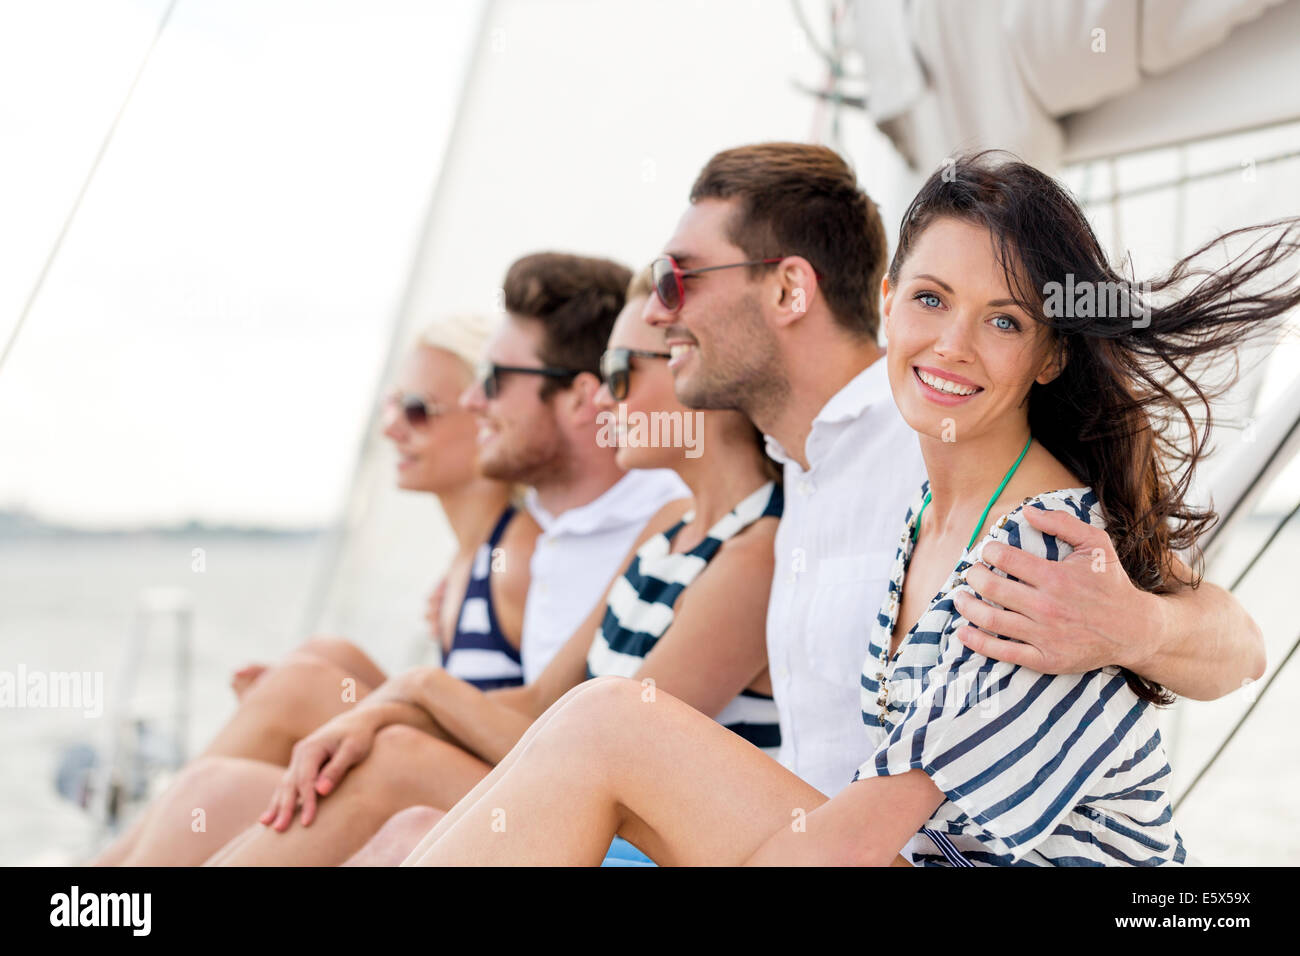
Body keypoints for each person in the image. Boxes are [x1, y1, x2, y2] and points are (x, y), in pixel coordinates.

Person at [400, 150, 1298, 865]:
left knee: (608, 722)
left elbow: (856, 843)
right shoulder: (917, 500)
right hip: (867, 837)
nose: (951, 346)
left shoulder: (1037, 552)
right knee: (514, 772)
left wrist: (1134, 627)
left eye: (1005, 320)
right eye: (932, 300)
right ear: (886, 304)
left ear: (1050, 356)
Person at [103, 253, 689, 865]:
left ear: (578, 397)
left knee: (337, 725)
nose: (474, 403)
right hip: (553, 783)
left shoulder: (629, 530)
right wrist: (394, 704)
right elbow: (551, 704)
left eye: (486, 384)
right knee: (261, 740)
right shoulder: (583, 529)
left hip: (606, 821)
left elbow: (602, 742)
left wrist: (406, 697)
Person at [209, 265, 784, 866]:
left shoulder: (754, 553)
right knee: (389, 765)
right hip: (598, 812)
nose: (605, 401)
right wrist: (386, 710)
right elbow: (544, 703)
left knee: (396, 767)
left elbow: (613, 755)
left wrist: (416, 687)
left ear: (696, 371)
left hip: (651, 843)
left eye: (621, 373)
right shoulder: (669, 525)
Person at [90, 312, 539, 865]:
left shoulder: (517, 558)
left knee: (288, 700)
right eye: (391, 406)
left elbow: (541, 728)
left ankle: (98, 879)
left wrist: (347, 709)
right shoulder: (471, 560)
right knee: (324, 656)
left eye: (418, 410)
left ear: (481, 410)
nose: (393, 428)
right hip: (462, 767)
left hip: (502, 798)